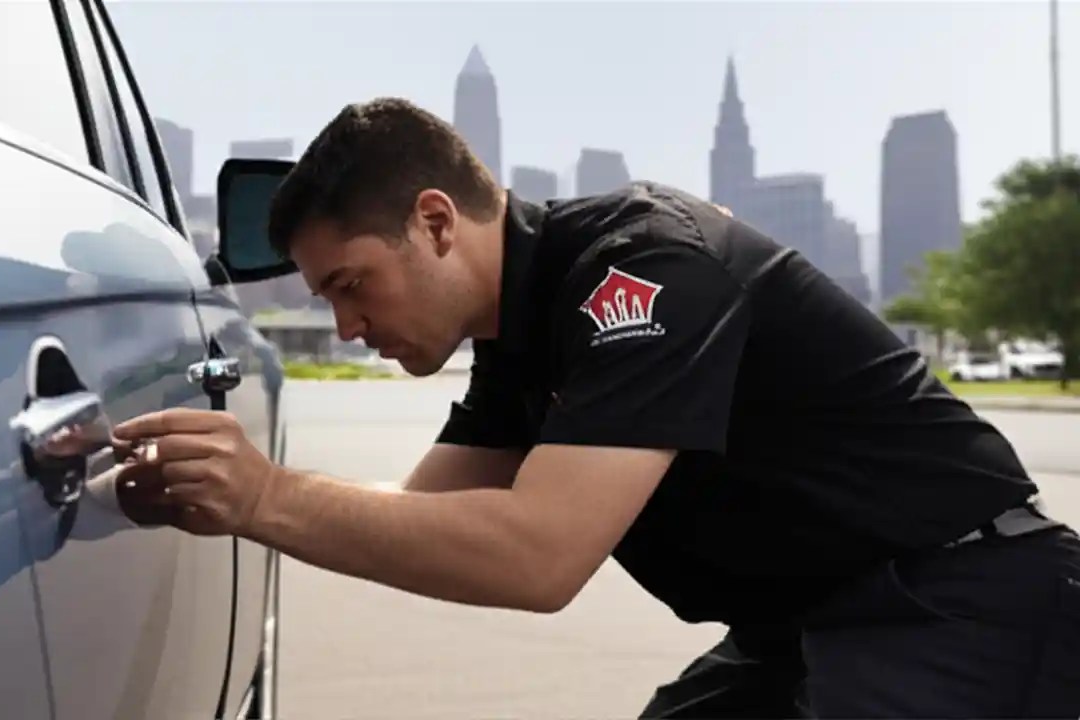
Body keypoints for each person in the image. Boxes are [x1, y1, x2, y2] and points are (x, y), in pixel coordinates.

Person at [111, 97, 1080, 717]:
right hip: (818, 624)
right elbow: (421, 520)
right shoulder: (516, 338)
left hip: (964, 601)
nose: (348, 323)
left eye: (352, 283)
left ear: (435, 223)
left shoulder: (638, 267)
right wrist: (222, 494)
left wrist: (263, 496)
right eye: (326, 300)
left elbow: (537, 556)